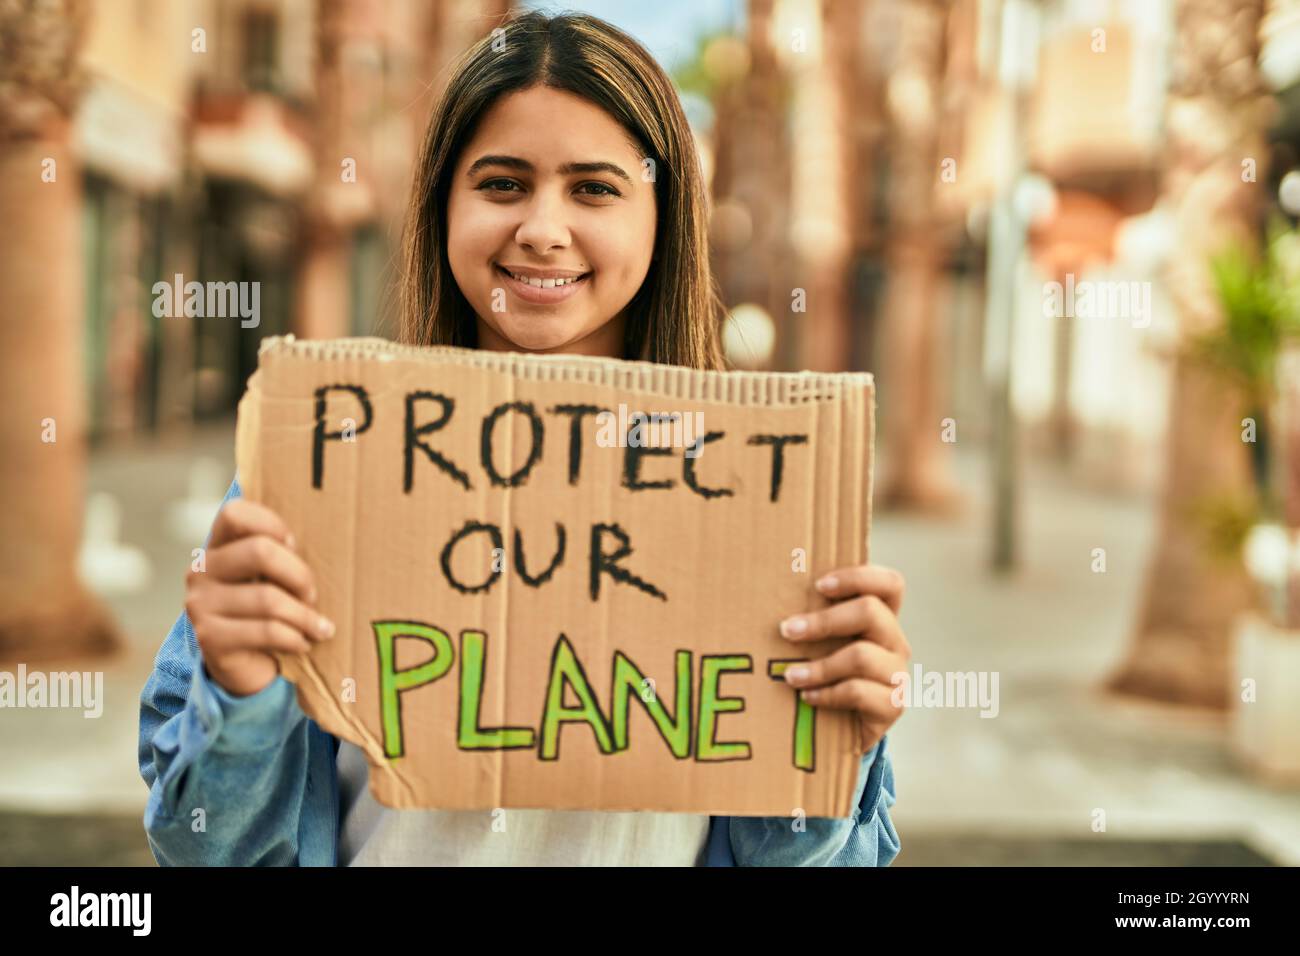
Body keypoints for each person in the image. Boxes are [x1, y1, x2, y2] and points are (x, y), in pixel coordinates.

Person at [138, 10, 908, 866]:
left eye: (595, 188)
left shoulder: (761, 488)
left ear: (665, 217)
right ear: (443, 207)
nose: (542, 228)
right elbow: (206, 848)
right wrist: (240, 698)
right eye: (502, 183)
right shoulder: (316, 469)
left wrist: (837, 750)